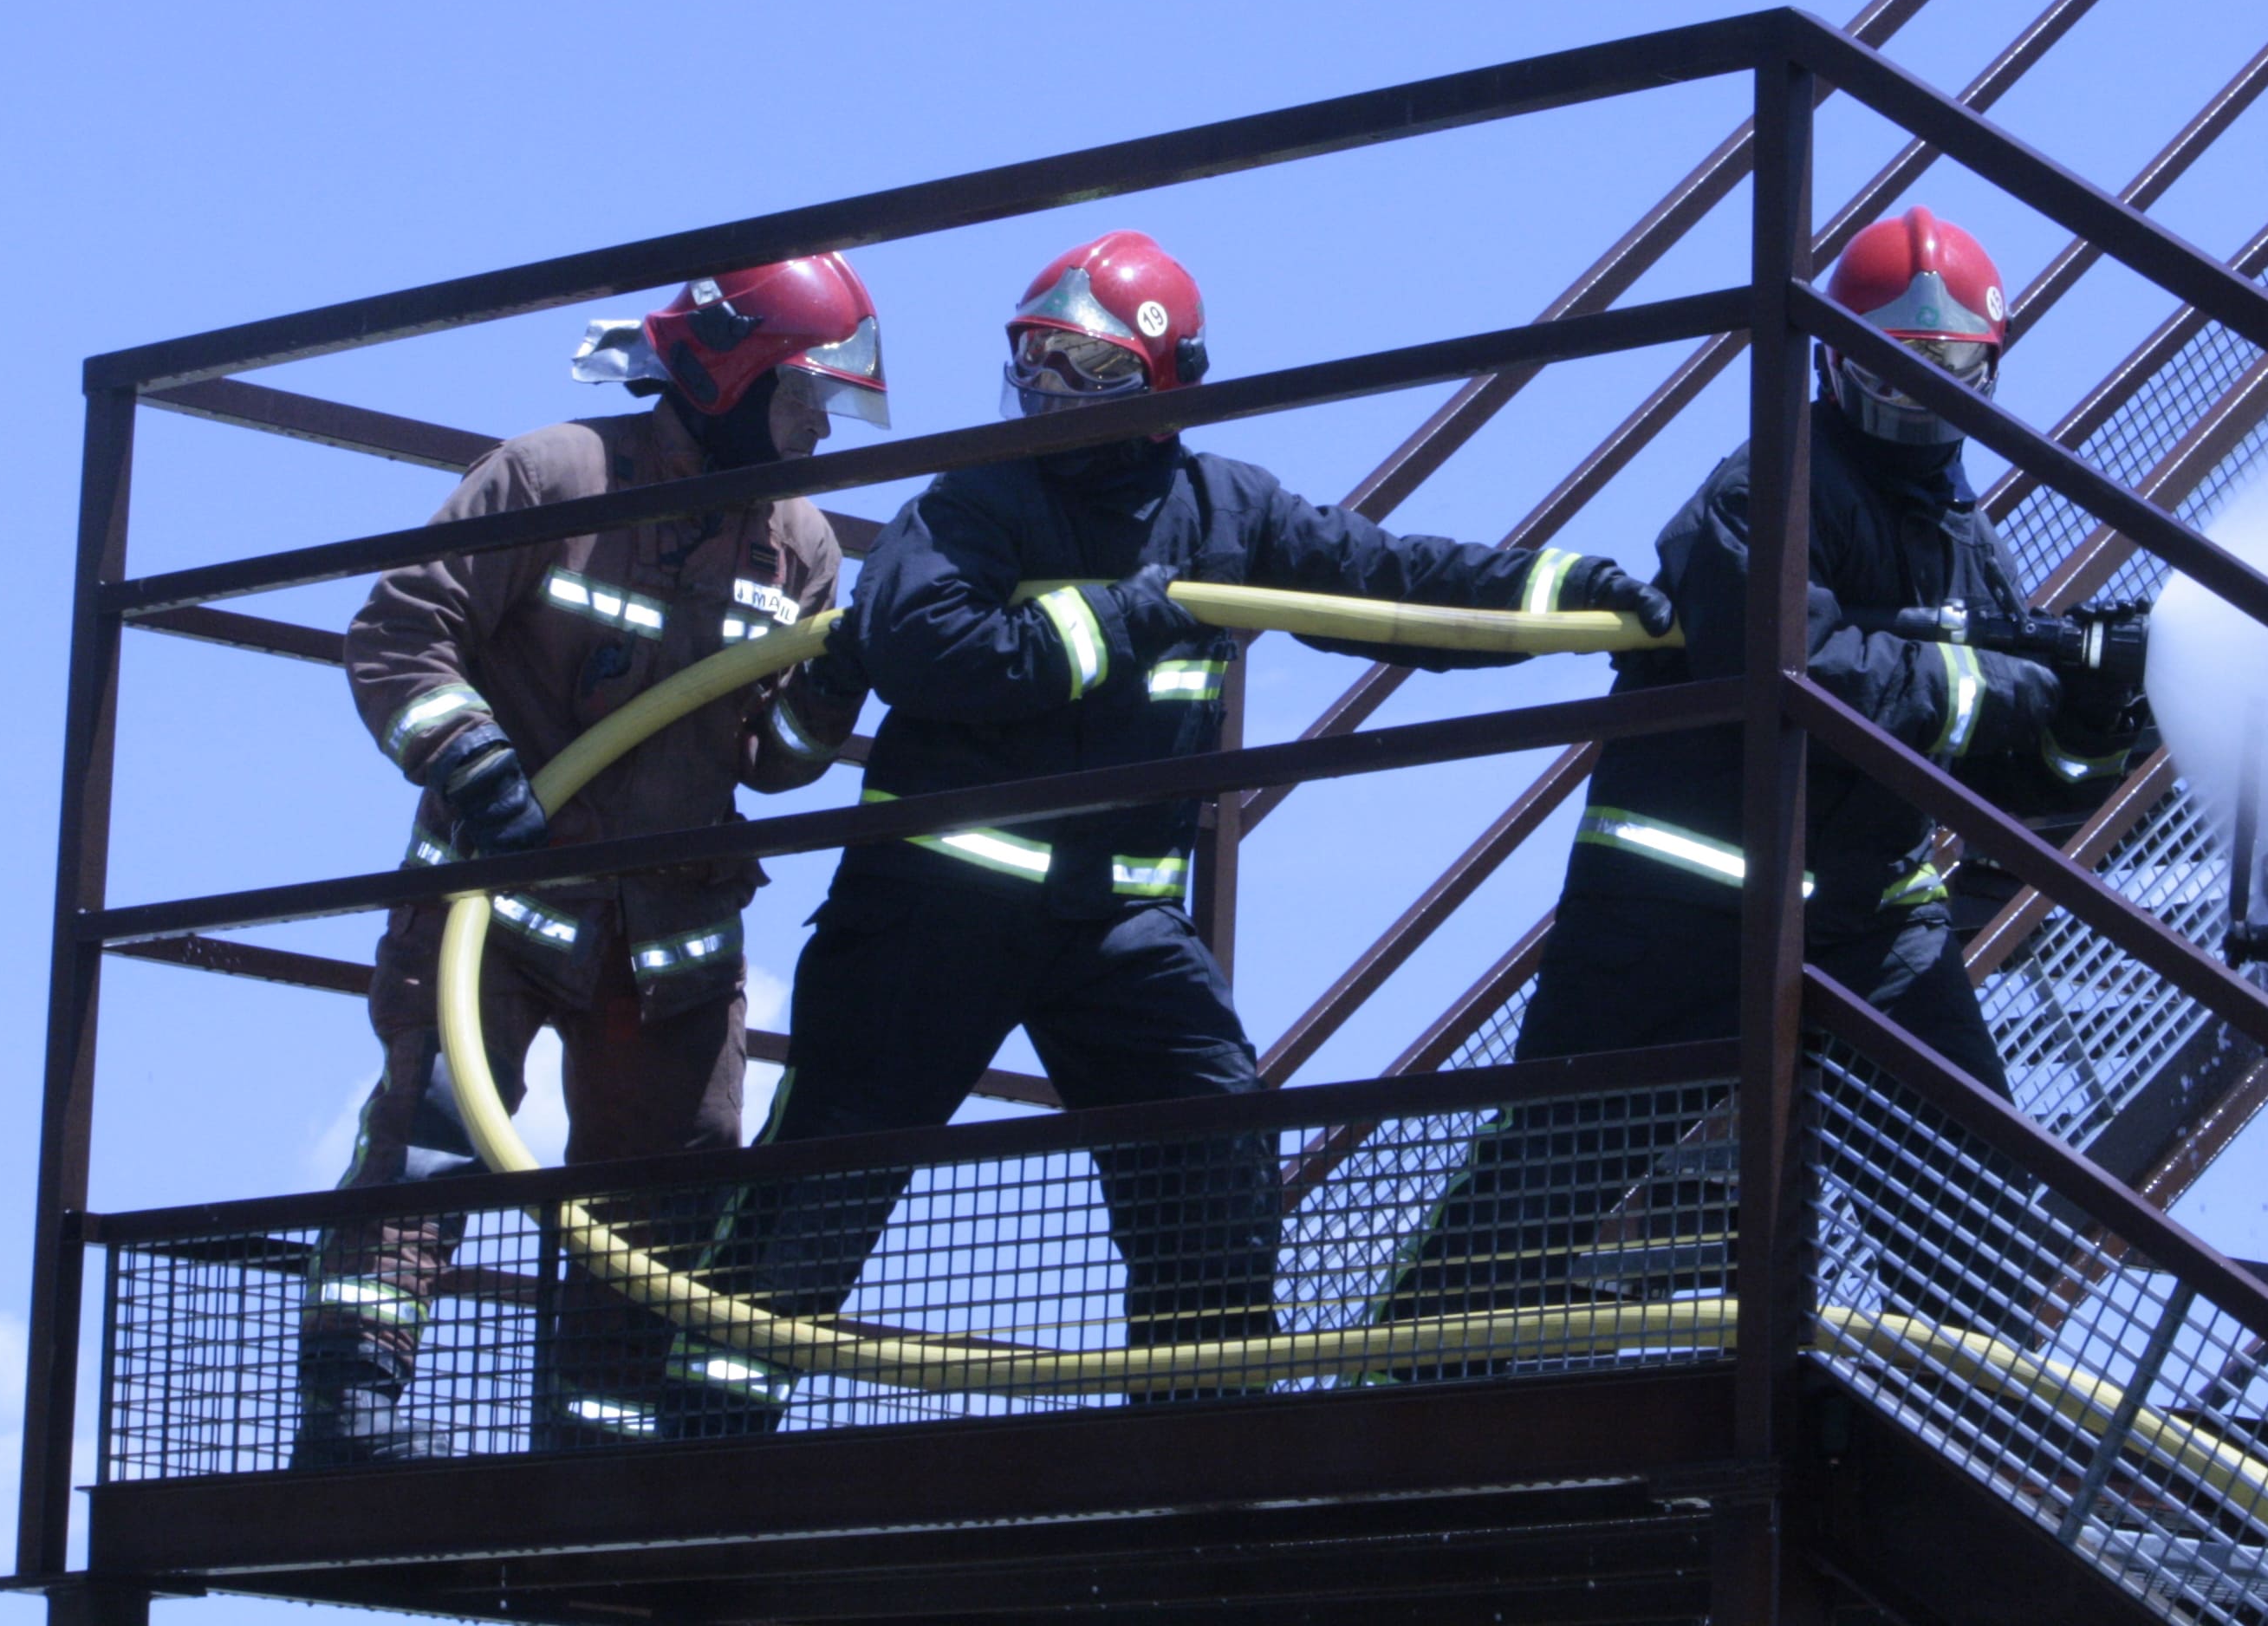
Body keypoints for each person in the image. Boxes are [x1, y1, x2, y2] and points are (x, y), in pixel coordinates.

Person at [673, 229, 1667, 1427]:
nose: (1045, 392)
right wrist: (1120, 620)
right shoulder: (977, 499)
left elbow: (1393, 587)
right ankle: (701, 1435)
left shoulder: (1225, 510)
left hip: (1120, 927)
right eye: (1033, 362)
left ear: (1163, 385)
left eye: (1079, 370)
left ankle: (1202, 1445)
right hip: (929, 912)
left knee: (1216, 1147)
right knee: (828, 1170)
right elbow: (924, 643)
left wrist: (1578, 595)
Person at [1378, 207, 2148, 1350]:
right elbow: (1811, 675)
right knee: (1527, 1215)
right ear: (1832, 360)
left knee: (1977, 1227)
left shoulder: (1964, 542)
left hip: (1870, 922)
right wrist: (2019, 684)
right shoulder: (1760, 494)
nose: (1914, 400)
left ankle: (1971, 1459)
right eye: (1888, 372)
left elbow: (2029, 778)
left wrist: (2099, 702)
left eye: (1946, 373)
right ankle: (1386, 1433)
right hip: (1679, 916)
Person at [299, 255, 888, 1465]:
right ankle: (352, 1413)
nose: (819, 428)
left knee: (656, 1214)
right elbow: (403, 633)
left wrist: (829, 697)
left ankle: (599, 1465)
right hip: (498, 901)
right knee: (429, 1141)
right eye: (803, 396)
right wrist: (471, 764)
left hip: (670, 947)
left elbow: (770, 761)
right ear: (731, 375)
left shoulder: (803, 551)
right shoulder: (556, 474)